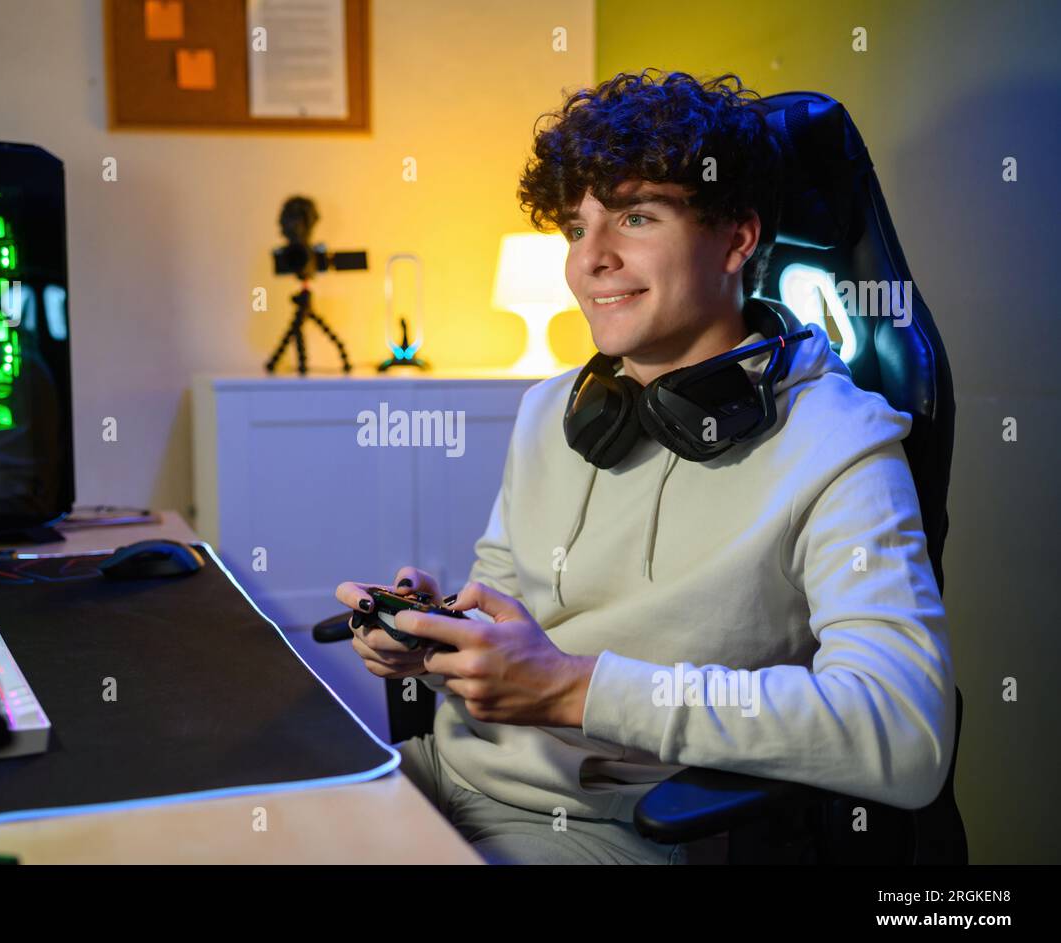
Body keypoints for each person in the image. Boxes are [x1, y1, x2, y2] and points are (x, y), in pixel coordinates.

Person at [335, 69, 955, 865]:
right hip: (433, 776)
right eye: (573, 227)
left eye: (635, 216)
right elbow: (511, 603)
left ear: (736, 239)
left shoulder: (841, 445)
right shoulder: (555, 409)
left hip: (598, 832)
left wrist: (576, 689)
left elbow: (903, 731)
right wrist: (430, 636)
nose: (590, 260)